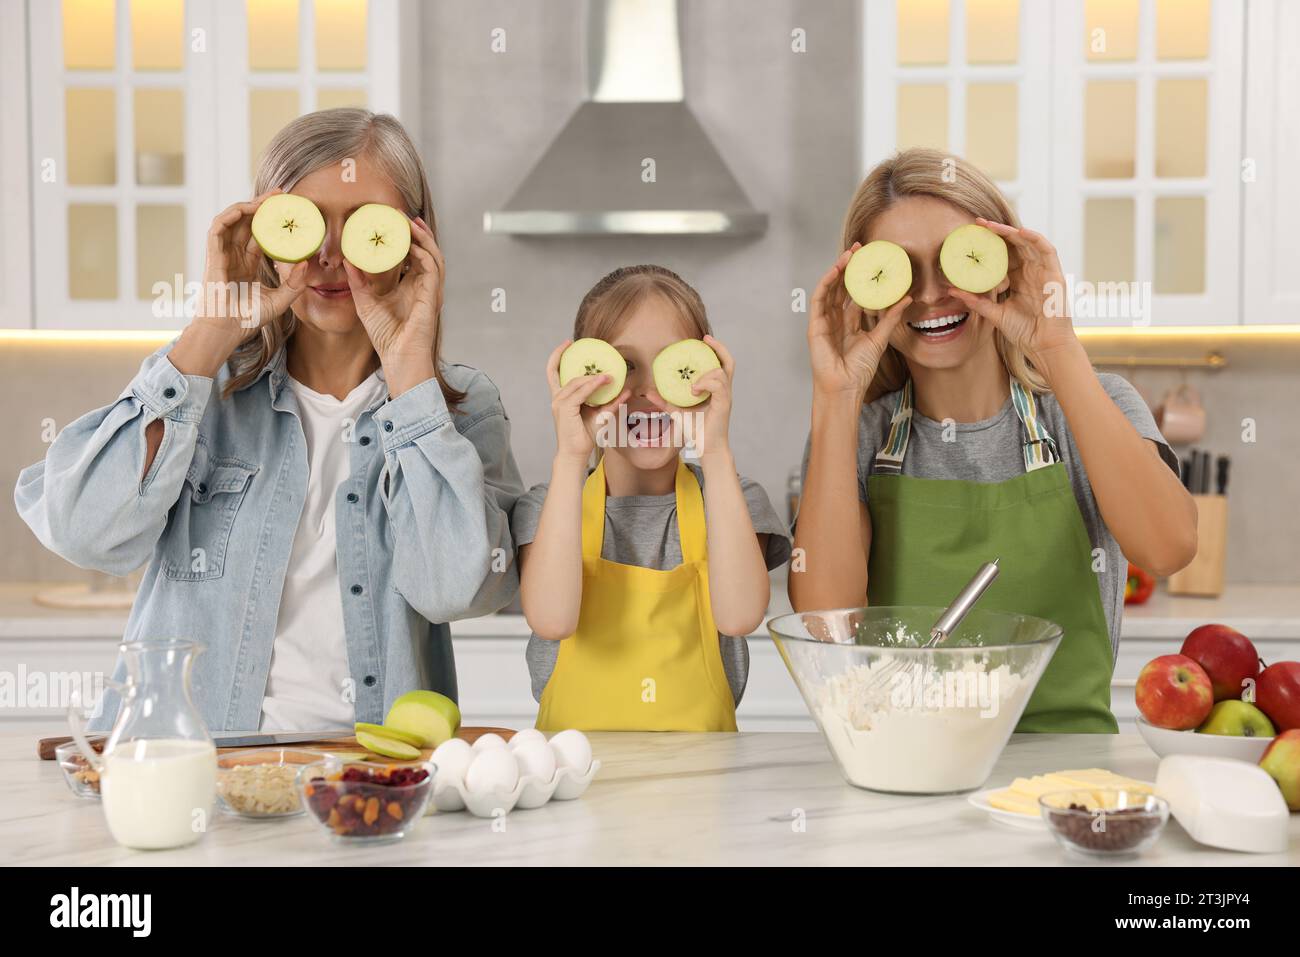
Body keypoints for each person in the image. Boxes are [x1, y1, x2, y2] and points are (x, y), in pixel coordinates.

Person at [16, 109, 523, 732]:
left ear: (415, 243)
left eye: (366, 227)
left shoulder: (461, 408)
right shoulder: (202, 391)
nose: (334, 255)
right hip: (194, 777)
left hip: (369, 784)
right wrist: (208, 333)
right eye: (307, 225)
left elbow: (457, 589)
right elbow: (82, 532)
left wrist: (411, 378)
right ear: (265, 235)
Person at [790, 148, 1197, 732]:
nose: (930, 295)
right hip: (905, 762)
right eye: (901, 271)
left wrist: (1057, 348)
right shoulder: (854, 433)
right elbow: (827, 621)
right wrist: (834, 398)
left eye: (956, 263)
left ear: (1005, 265)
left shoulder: (1091, 406)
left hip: (1065, 774)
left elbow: (1169, 549)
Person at [514, 265, 792, 731]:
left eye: (671, 366)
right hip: (573, 784)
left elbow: (741, 615)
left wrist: (715, 447)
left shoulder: (732, 499)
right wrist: (570, 455)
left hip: (703, 786)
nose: (645, 393)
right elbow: (551, 620)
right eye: (622, 367)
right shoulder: (550, 505)